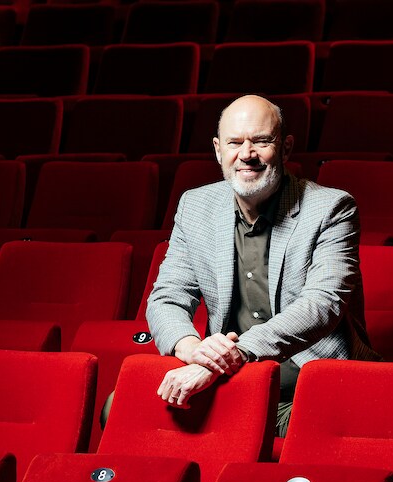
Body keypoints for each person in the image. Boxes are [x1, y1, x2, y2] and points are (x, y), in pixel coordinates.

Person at [144, 94, 379, 435]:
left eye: (261, 141)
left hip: (307, 383)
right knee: (122, 410)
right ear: (218, 150)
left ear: (285, 148)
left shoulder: (331, 208)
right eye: (234, 143)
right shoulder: (195, 206)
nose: (247, 154)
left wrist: (235, 354)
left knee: (281, 432)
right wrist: (194, 350)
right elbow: (167, 297)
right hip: (230, 378)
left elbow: (322, 304)